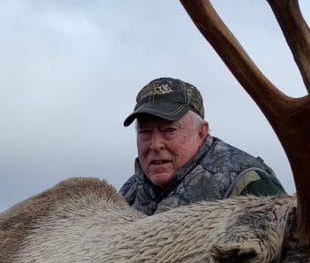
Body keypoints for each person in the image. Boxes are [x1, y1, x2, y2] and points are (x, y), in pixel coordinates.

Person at [120, 77, 286, 215]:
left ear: (201, 131)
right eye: (145, 133)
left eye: (169, 130)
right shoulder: (127, 194)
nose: (155, 145)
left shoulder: (248, 183)